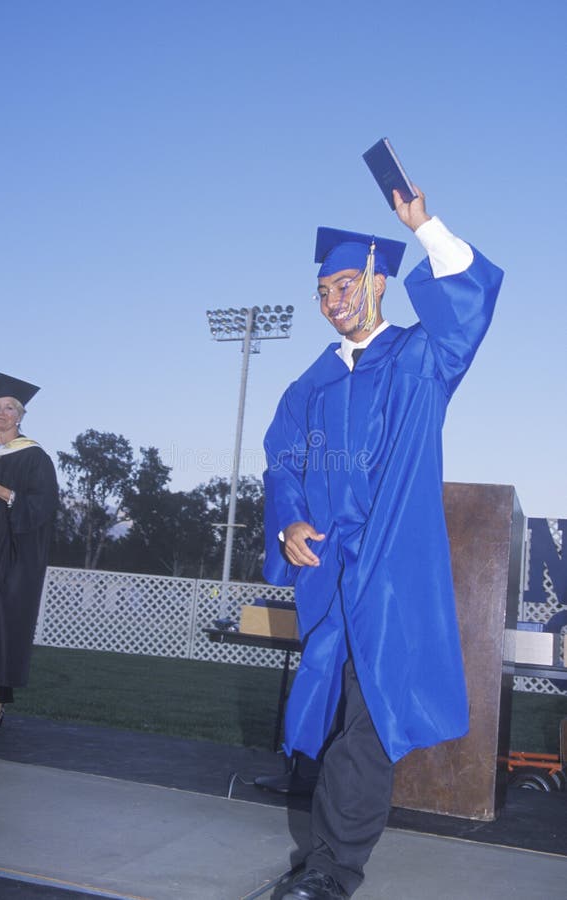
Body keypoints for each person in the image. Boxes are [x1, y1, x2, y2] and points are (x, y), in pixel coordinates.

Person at [262, 186, 504, 900]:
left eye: (344, 283)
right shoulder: (311, 382)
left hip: (392, 577)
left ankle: (331, 875)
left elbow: (468, 297)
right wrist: (289, 522)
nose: (332, 297)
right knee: (336, 726)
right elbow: (282, 461)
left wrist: (423, 224)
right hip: (331, 581)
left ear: (377, 280)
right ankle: (326, 860)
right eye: (322, 290)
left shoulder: (420, 357)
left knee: (365, 729)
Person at [0, 373, 58, 731]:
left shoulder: (34, 457)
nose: (1, 413)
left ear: (21, 415)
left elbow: (45, 507)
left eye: (9, 408)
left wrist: (4, 493)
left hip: (9, 554)